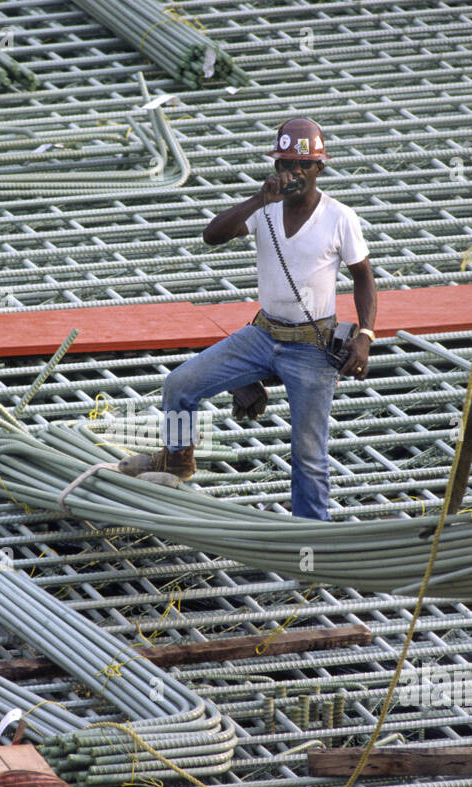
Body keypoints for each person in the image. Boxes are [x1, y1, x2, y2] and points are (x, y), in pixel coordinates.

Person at [120, 117, 376, 521]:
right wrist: (259, 201)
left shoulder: (339, 218)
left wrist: (364, 336)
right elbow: (212, 235)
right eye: (282, 165)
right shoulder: (265, 210)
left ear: (318, 169)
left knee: (308, 453)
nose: (290, 174)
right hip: (262, 335)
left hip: (311, 346)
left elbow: (364, 278)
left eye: (300, 166)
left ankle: (310, 540)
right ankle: (178, 460)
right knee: (180, 384)